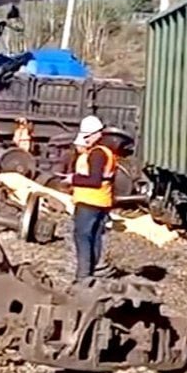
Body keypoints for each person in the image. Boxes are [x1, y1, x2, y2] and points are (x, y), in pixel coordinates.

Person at [63, 115, 116, 283]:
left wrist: (73, 179)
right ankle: (90, 274)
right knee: (94, 237)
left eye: (87, 135)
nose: (85, 139)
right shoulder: (107, 152)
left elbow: (94, 180)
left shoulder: (97, 154)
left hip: (89, 202)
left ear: (95, 134)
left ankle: (83, 277)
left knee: (83, 236)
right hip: (103, 201)